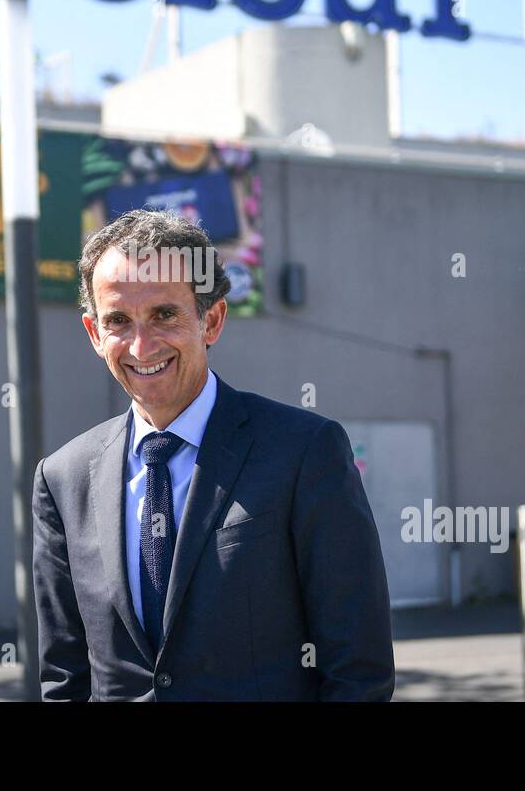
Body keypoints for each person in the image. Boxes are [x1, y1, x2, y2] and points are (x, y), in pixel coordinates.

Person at [31, 208, 395, 701]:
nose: (142, 345)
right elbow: (64, 677)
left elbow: (357, 668)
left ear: (212, 319)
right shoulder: (63, 477)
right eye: (119, 320)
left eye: (164, 314)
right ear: (96, 335)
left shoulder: (304, 452)